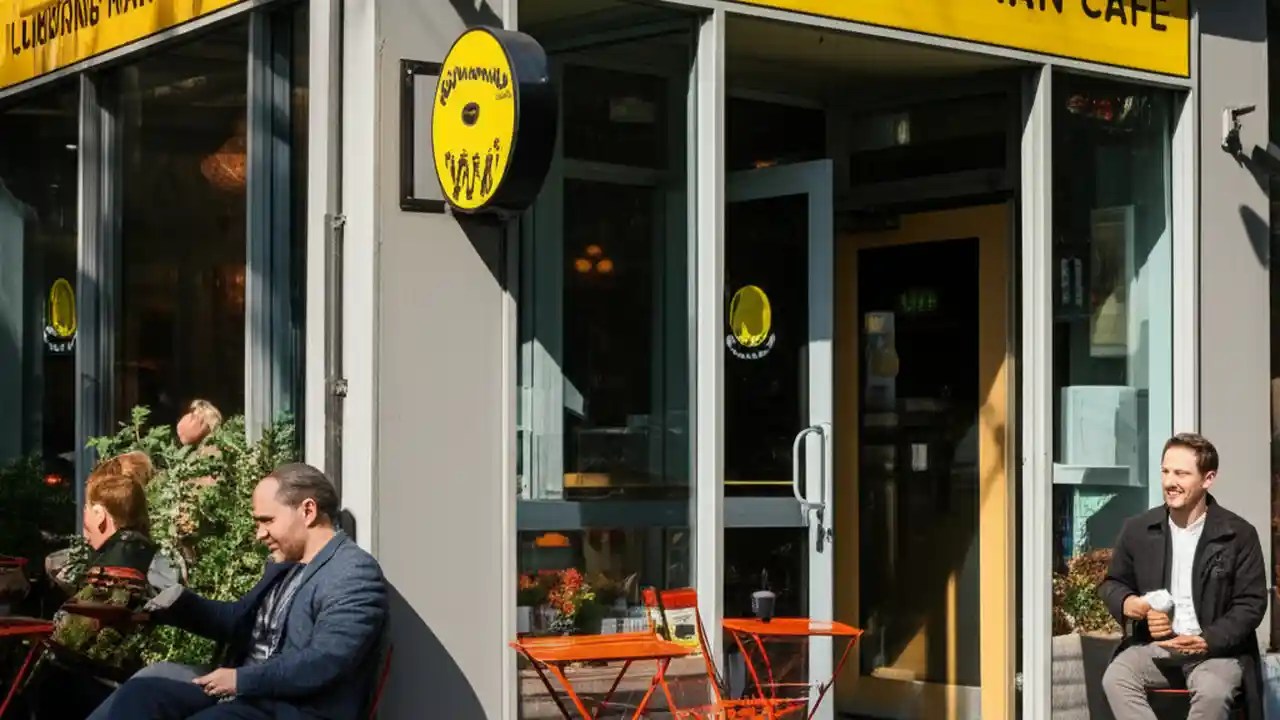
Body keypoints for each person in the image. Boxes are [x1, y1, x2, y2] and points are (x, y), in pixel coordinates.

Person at [90, 462, 387, 720]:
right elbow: (239, 621)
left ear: (308, 511)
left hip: (293, 709)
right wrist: (170, 602)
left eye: (267, 521)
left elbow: (323, 662)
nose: (260, 534)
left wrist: (240, 679)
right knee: (141, 696)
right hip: (252, 697)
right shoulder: (285, 564)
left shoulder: (353, 574)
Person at [1099, 433, 1267, 720]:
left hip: (1216, 652)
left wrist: (1207, 639)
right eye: (1165, 471)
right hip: (1157, 647)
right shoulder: (1138, 529)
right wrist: (1130, 604)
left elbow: (1251, 604)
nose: (1169, 482)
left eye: (1181, 473)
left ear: (1208, 478)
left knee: (1214, 691)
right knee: (1116, 678)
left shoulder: (1238, 534)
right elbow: (1113, 584)